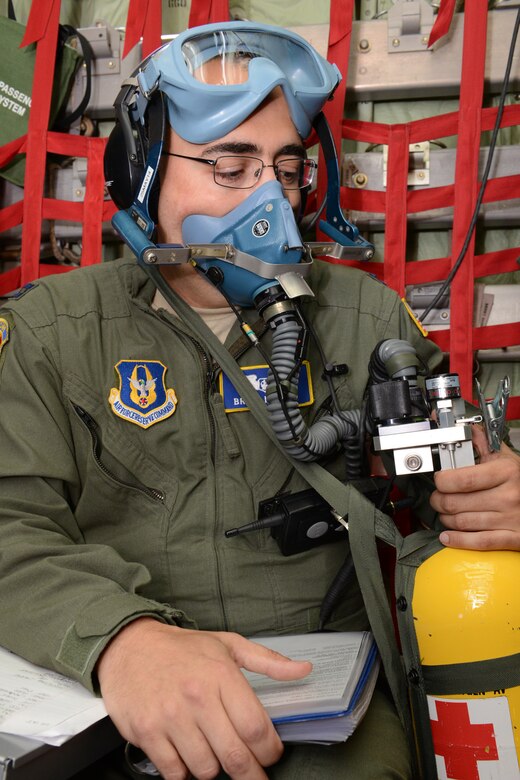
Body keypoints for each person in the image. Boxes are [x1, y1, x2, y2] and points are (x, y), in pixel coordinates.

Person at [0, 21, 518, 780]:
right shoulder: (51, 332)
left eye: (286, 167)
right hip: (113, 699)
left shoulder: (366, 320)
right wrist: (120, 640)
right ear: (142, 172)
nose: (270, 198)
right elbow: (11, 528)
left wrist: (500, 493)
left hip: (327, 711)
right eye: (230, 164)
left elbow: (468, 472)